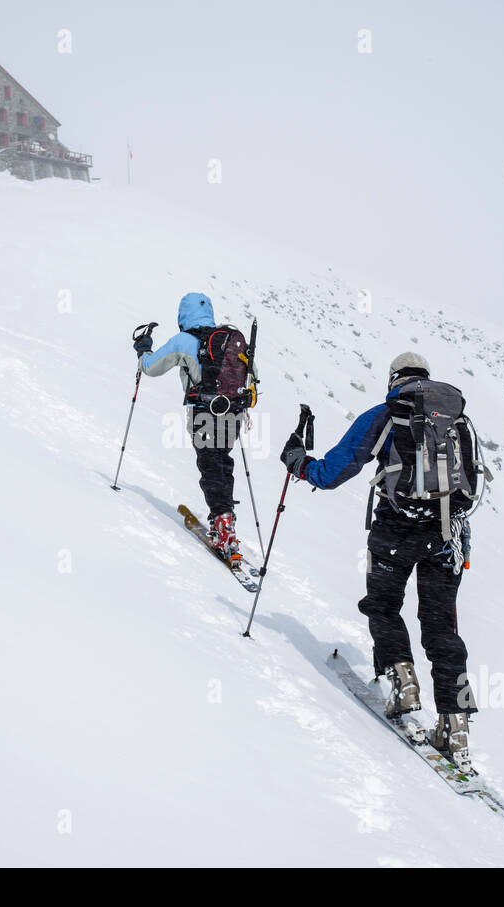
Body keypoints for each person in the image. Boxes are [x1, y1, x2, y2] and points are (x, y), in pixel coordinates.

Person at [280, 352, 481, 769]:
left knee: (383, 607)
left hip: (395, 532)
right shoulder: (457, 419)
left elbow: (334, 471)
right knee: (443, 628)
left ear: (393, 379)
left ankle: (403, 682)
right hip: (448, 535)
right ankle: (456, 721)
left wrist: (298, 462)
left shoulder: (386, 413)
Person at [135, 292, 253, 563]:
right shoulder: (230, 339)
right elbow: (251, 371)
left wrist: (143, 350)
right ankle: (227, 522)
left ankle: (222, 526)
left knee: (210, 466)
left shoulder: (184, 340)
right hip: (233, 412)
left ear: (182, 315)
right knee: (222, 463)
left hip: (204, 413)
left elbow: (150, 368)